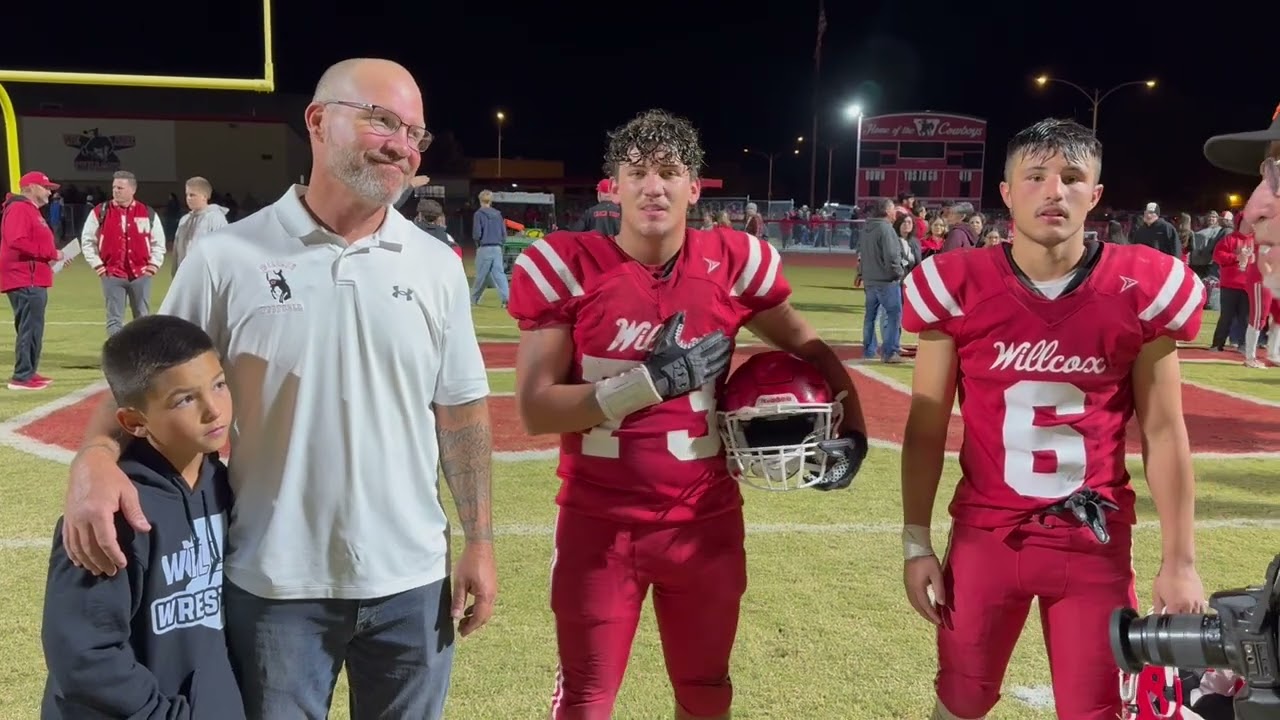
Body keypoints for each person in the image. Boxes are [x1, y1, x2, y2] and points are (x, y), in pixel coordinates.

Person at [58, 57, 497, 720]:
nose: (402, 145)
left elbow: (460, 410)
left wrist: (481, 541)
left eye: (416, 133)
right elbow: (148, 376)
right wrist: (94, 459)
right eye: (383, 120)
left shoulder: (435, 264)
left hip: (413, 583)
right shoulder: (228, 256)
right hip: (274, 583)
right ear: (318, 122)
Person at [506, 108, 869, 720]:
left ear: (694, 187)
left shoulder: (729, 264)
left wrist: (854, 429)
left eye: (670, 172)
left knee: (705, 693)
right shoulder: (570, 266)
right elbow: (536, 409)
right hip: (599, 527)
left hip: (705, 525)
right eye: (638, 172)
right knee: (586, 701)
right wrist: (645, 384)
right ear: (612, 186)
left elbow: (811, 348)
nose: (654, 186)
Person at [899, 118, 1206, 720]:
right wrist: (916, 540)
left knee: (1095, 708)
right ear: (1007, 192)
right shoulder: (957, 283)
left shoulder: (1139, 286)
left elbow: (1166, 431)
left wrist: (1180, 561)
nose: (1054, 191)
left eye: (1072, 178)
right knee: (958, 699)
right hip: (987, 541)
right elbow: (926, 425)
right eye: (1035, 176)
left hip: (1092, 543)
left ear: (1095, 194)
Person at [41, 314, 244, 720]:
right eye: (185, 399)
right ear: (134, 422)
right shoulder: (111, 511)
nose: (213, 409)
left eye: (219, 385)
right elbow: (83, 652)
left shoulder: (220, 483)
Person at [80, 170, 167, 336]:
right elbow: (87, 240)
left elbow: (158, 243)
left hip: (141, 275)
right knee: (114, 320)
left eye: (120, 187)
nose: (115, 191)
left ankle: (142, 357)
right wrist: (98, 266)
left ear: (132, 190)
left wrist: (153, 266)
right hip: (112, 274)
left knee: (142, 319)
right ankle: (117, 359)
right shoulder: (101, 211)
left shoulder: (147, 212)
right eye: (114, 187)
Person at [1, 171, 62, 391]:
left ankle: (28, 371)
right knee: (29, 327)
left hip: (32, 276)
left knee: (33, 327)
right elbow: (17, 240)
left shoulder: (29, 210)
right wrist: (50, 253)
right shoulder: (19, 208)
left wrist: (52, 258)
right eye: (46, 187)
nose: (49, 192)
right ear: (32, 188)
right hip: (24, 277)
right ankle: (21, 376)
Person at [171, 176, 229, 277]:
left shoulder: (215, 218)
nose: (188, 198)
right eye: (187, 195)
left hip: (205, 277)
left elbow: (223, 250)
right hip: (184, 276)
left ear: (204, 196)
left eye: (192, 195)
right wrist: (175, 275)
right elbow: (177, 251)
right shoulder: (184, 220)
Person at [471, 189, 510, 306]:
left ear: (480, 200)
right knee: (500, 275)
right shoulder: (498, 214)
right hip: (497, 248)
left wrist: (477, 242)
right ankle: (506, 298)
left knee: (481, 275)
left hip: (485, 247)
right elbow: (504, 233)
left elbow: (477, 233)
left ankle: (473, 299)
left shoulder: (479, 214)